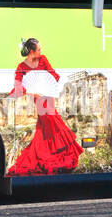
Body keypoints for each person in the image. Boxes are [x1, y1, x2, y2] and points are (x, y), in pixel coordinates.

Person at [7, 38, 82, 176]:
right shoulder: (21, 67)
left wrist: (47, 81)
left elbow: (54, 76)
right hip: (38, 99)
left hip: (48, 96)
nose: (41, 51)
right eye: (39, 49)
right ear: (31, 51)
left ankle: (52, 158)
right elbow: (18, 86)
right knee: (50, 123)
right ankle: (51, 159)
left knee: (49, 125)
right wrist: (31, 92)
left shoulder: (42, 60)